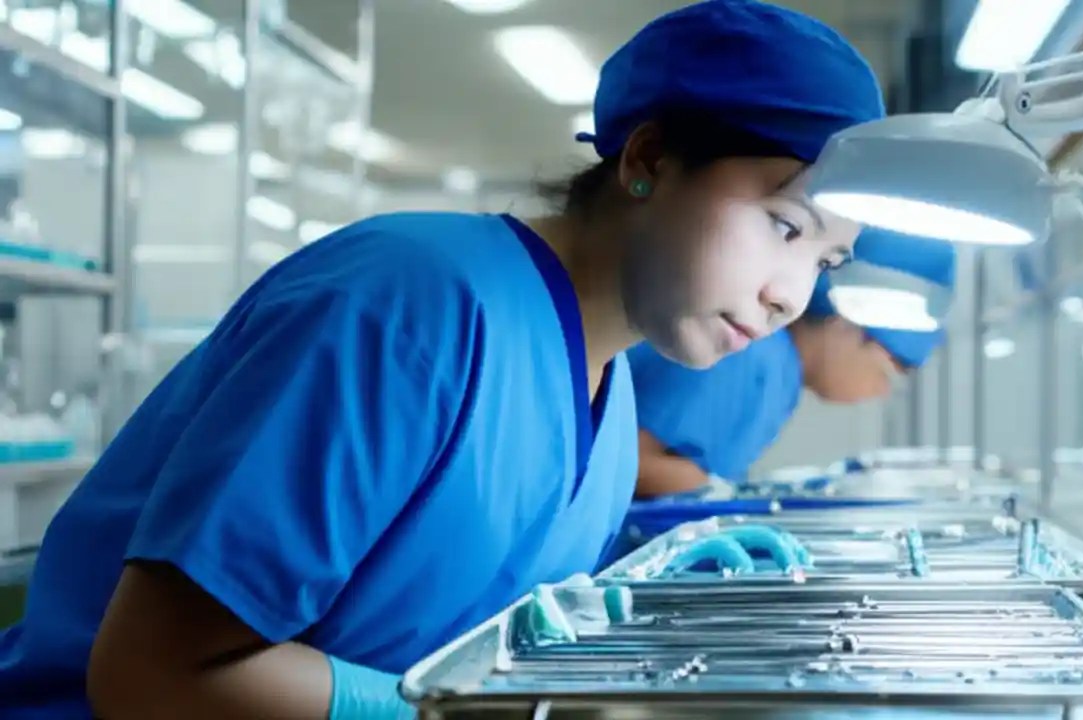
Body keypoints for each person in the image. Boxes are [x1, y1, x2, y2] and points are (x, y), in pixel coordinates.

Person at [0, 1, 885, 718]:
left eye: (826, 261)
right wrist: (441, 709)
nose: (791, 296)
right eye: (785, 226)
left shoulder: (608, 400)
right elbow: (152, 679)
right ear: (650, 158)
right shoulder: (411, 305)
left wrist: (623, 606)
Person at [630, 228, 955, 497]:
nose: (882, 391)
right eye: (890, 372)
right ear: (845, 323)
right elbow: (634, 461)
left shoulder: (778, 372)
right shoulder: (754, 357)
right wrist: (735, 501)